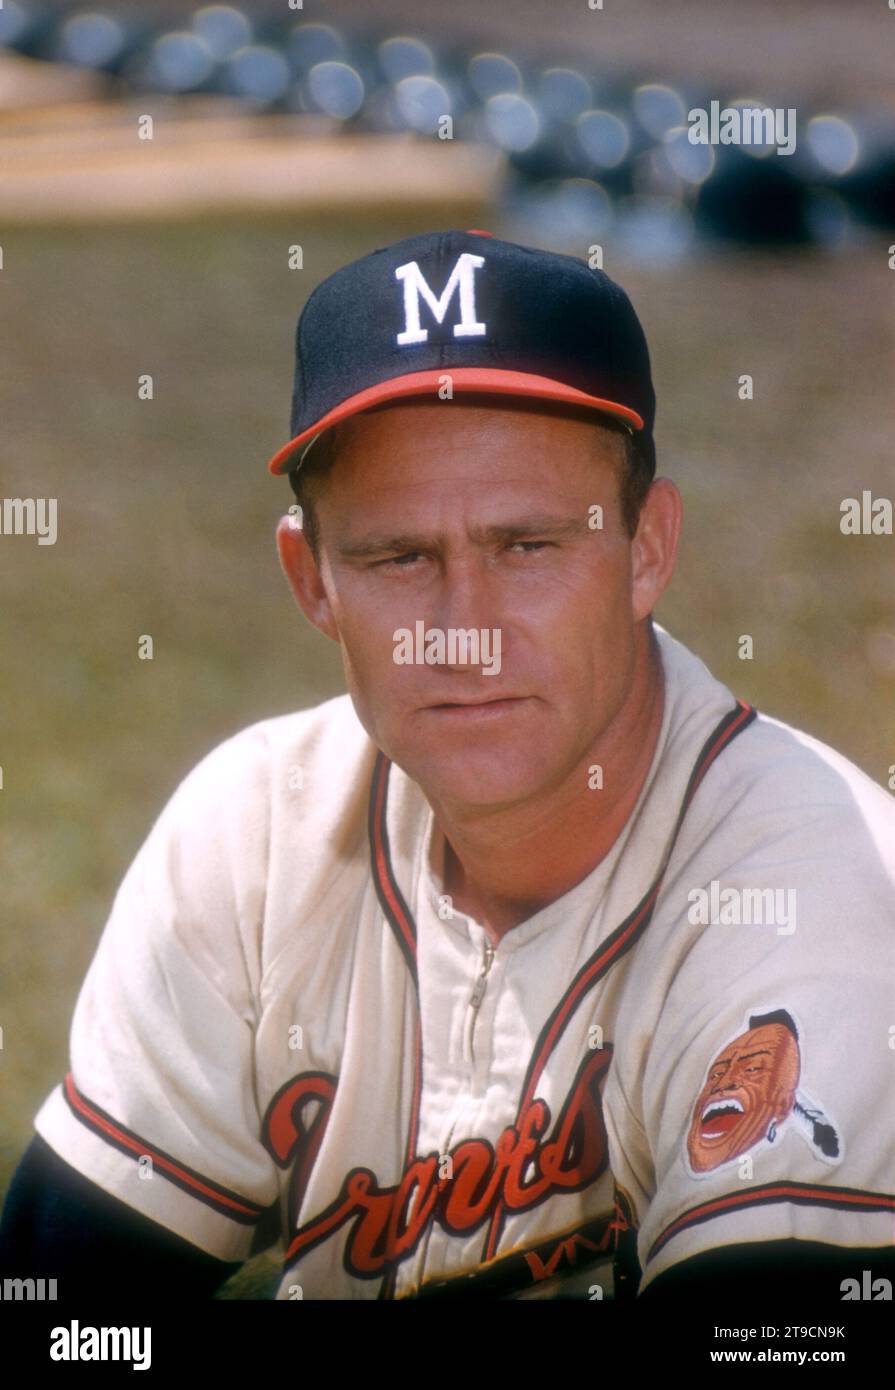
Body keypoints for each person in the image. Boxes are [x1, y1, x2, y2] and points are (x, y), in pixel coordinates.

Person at [2, 230, 893, 1302]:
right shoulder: (254, 837)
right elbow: (61, 1318)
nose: (463, 631)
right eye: (397, 557)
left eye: (528, 546)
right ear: (312, 579)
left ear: (646, 550)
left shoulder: (812, 893)